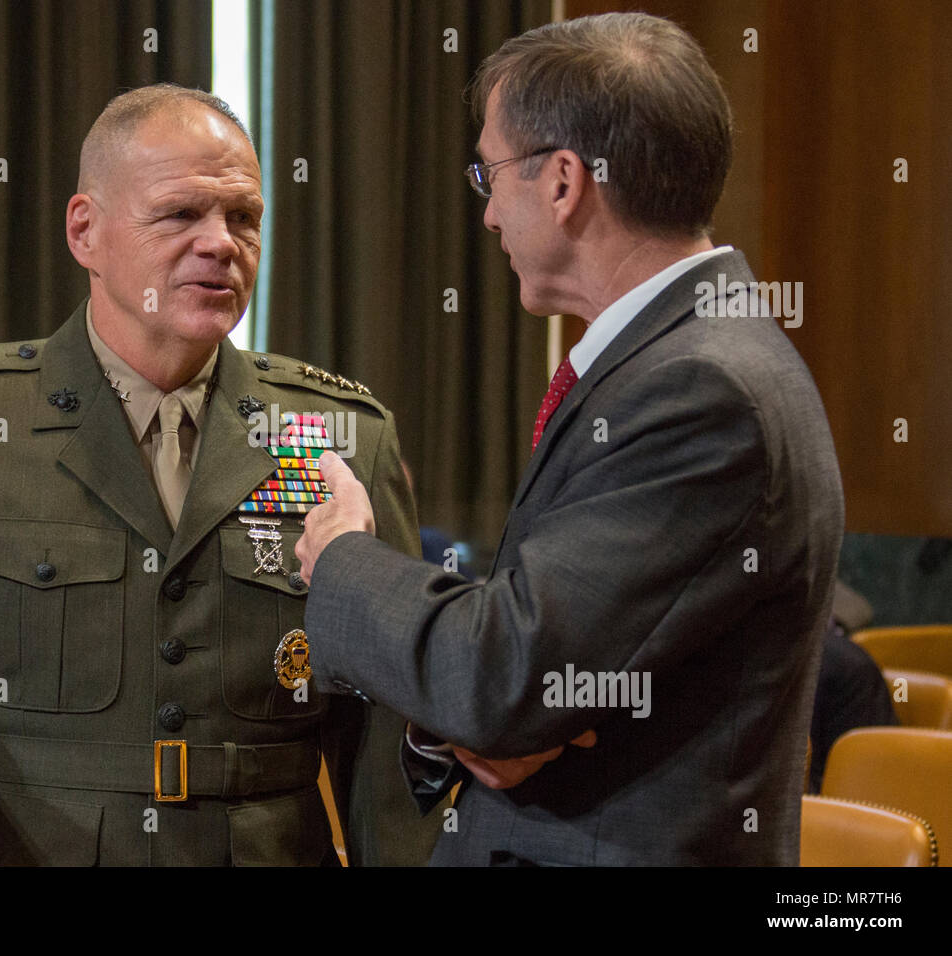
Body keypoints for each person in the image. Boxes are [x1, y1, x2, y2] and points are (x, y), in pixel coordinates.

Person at [0, 84, 438, 865]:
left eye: (244, 217)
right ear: (85, 231)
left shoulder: (335, 438)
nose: (221, 243)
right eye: (180, 214)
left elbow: (386, 720)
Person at [296, 13, 845, 865]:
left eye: (489, 173)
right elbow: (552, 669)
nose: (487, 215)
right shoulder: (676, 360)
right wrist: (492, 720)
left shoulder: (700, 390)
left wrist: (340, 556)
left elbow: (503, 675)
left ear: (562, 182)